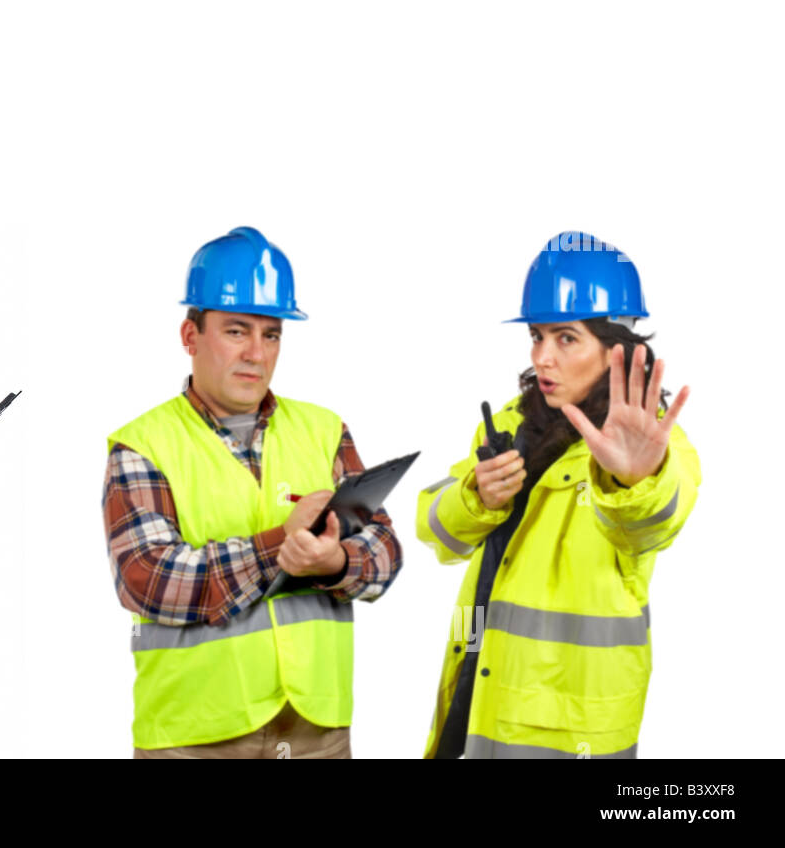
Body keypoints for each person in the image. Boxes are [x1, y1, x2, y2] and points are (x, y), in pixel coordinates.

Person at [103, 226, 403, 759]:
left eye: (271, 335)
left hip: (316, 729)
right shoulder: (143, 445)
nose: (256, 354)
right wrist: (277, 548)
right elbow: (146, 580)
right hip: (194, 733)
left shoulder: (324, 428)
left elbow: (385, 553)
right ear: (190, 336)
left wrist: (334, 560)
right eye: (236, 331)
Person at [417, 231, 698, 759]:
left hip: (570, 731)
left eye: (566, 338)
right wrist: (476, 495)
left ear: (618, 350)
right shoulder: (510, 423)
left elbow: (656, 518)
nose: (543, 357)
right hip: (478, 695)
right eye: (536, 336)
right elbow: (435, 531)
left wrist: (634, 480)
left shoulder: (653, 445)